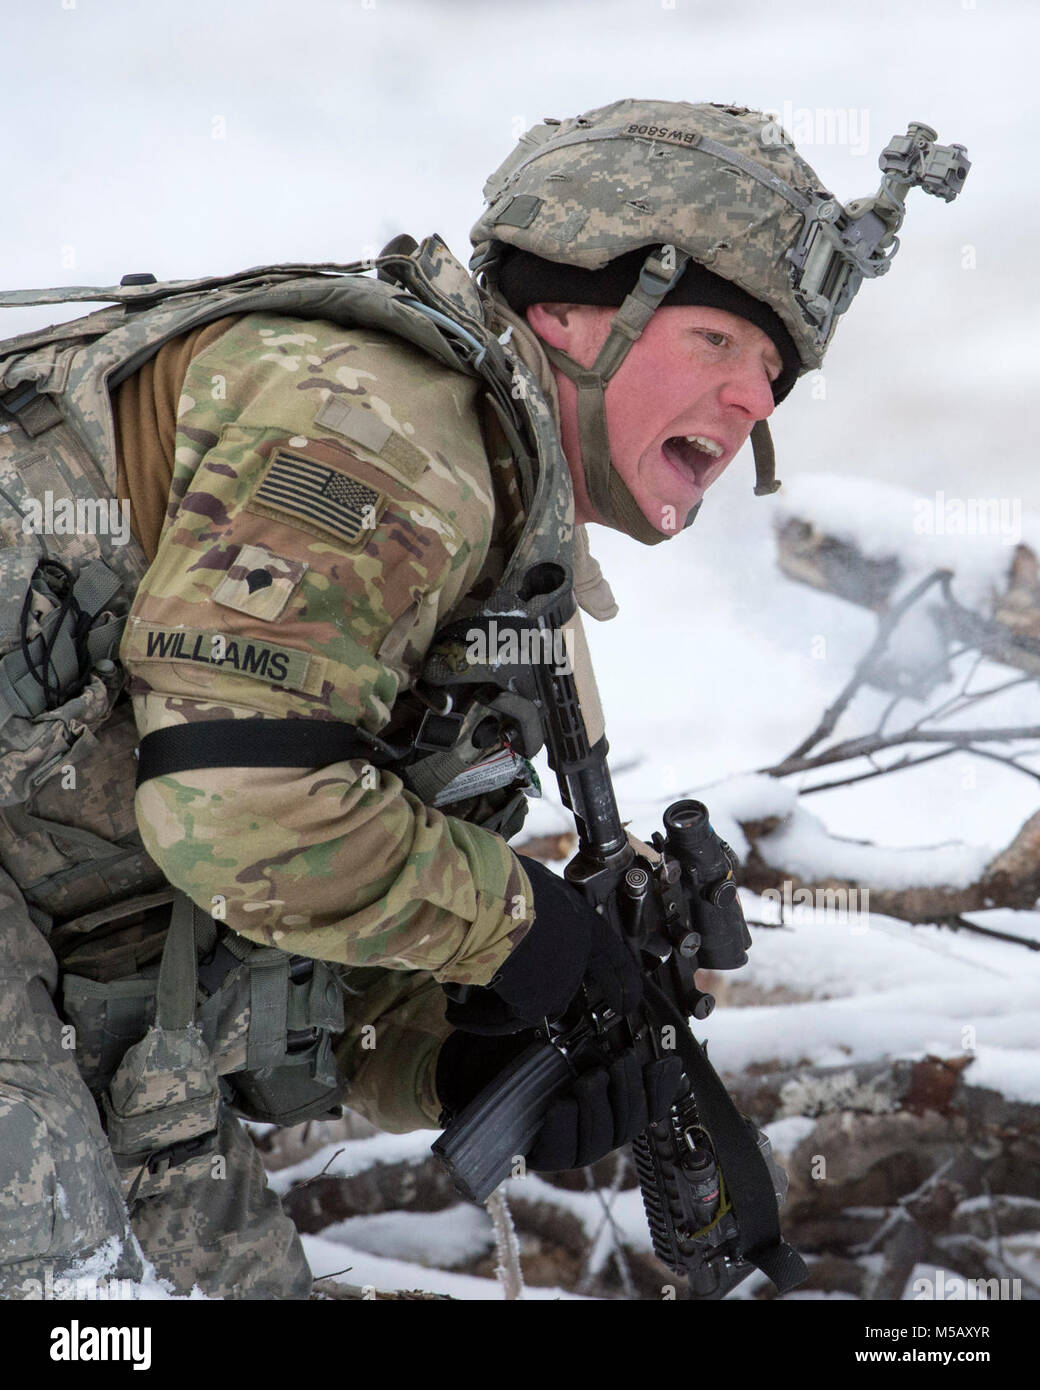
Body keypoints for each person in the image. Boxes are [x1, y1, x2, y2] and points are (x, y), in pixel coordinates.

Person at [0, 98, 893, 1299]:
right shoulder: (378, 426)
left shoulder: (509, 558)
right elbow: (237, 811)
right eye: (717, 343)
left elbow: (259, 912)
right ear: (571, 308)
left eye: (773, 374)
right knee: (79, 1295)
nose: (753, 403)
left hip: (62, 936)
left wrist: (459, 1057)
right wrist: (526, 926)